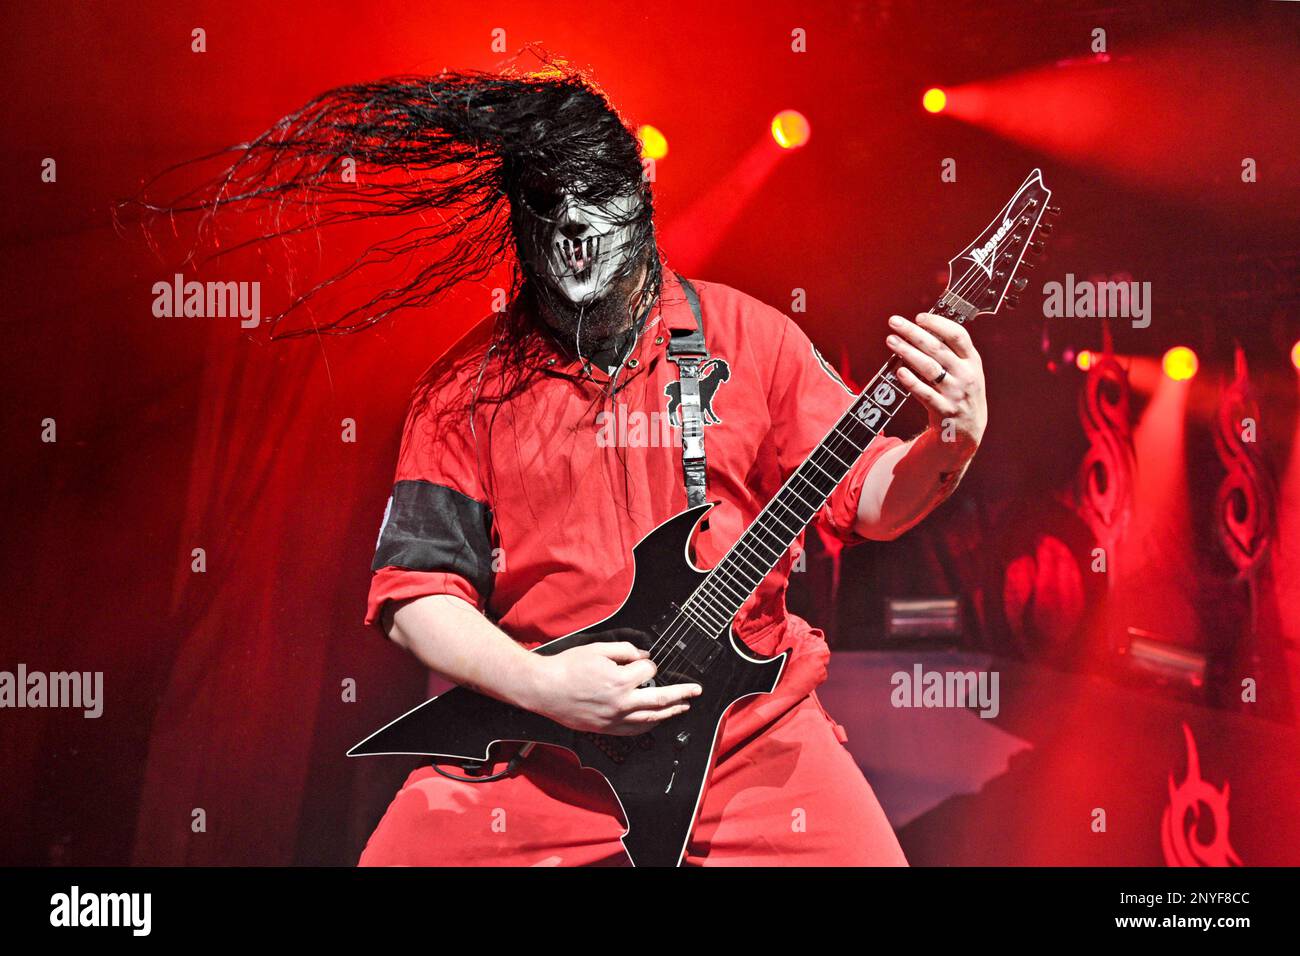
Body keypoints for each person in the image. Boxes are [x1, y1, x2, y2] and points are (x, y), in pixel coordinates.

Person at [129, 60, 986, 866]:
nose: (574, 221)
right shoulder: (462, 391)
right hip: (543, 750)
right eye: (547, 201)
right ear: (517, 215)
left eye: (598, 194)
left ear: (643, 193)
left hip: (751, 740)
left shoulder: (750, 337)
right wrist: (545, 685)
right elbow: (414, 597)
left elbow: (869, 498)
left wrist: (953, 440)